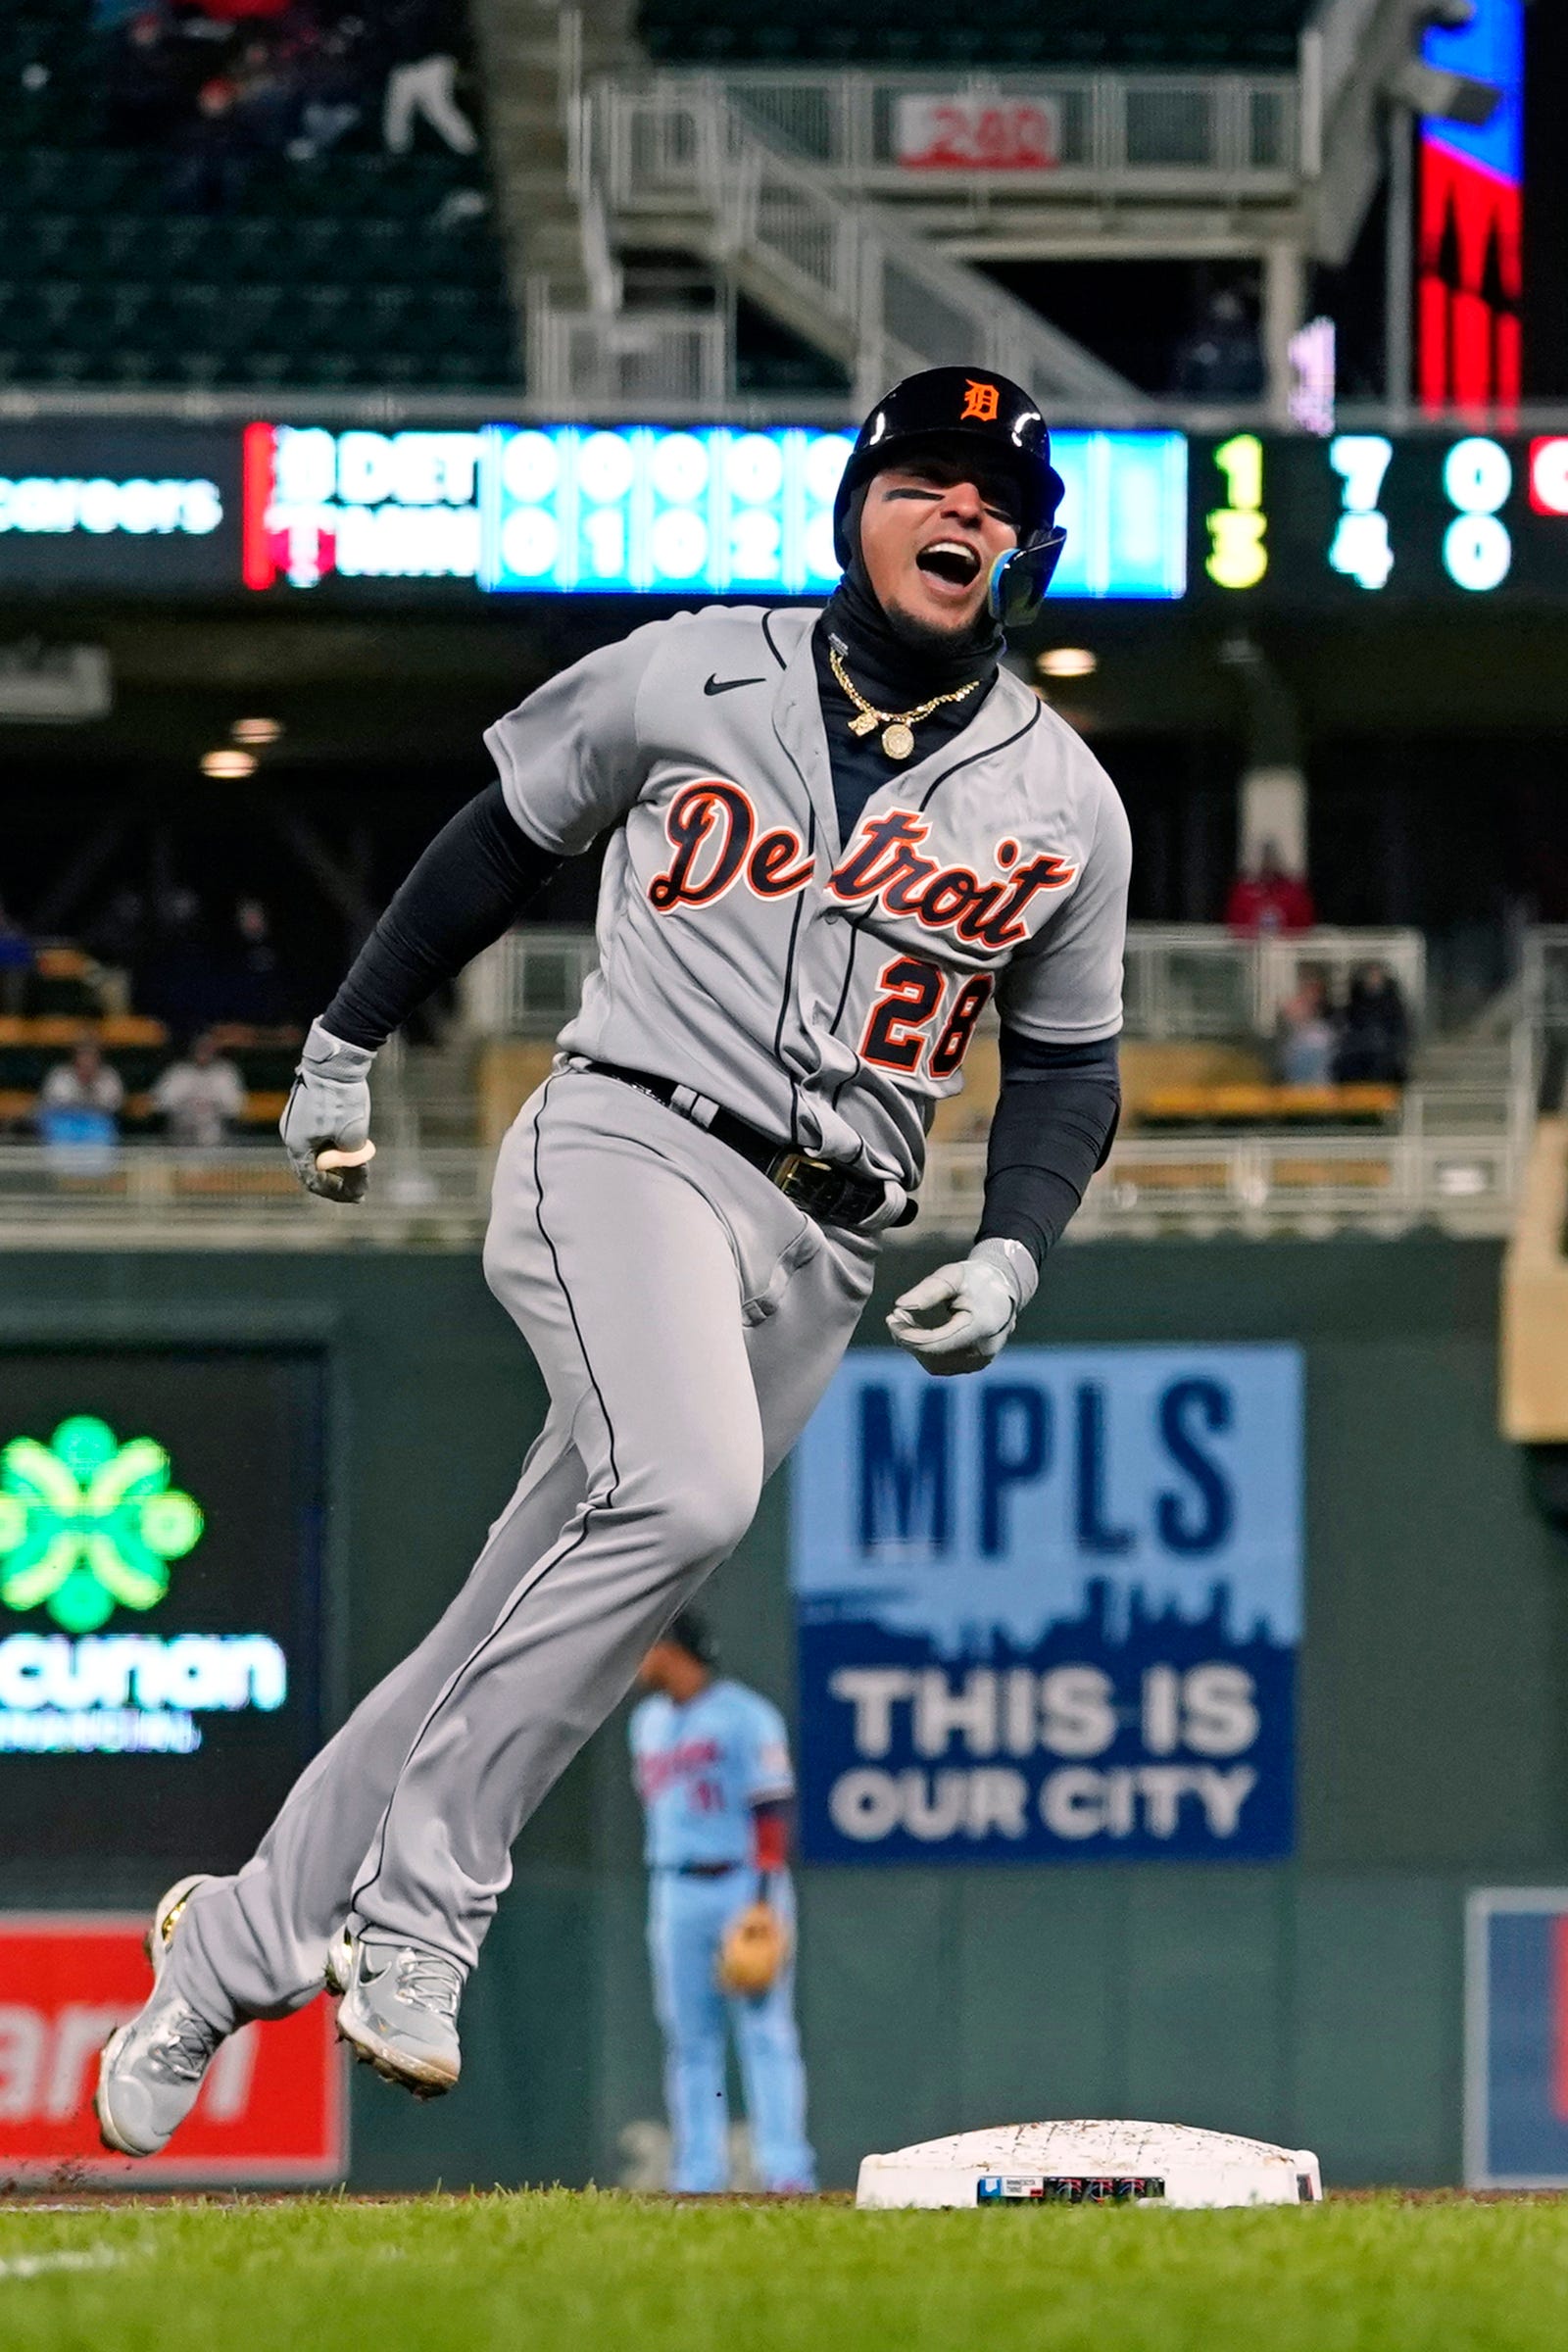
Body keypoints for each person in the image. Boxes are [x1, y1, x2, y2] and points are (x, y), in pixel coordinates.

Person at [94, 366, 1130, 2159]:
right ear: (860, 501)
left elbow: (1070, 1061)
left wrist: (1021, 1247)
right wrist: (343, 1041)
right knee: (693, 1490)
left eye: (996, 497)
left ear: (1030, 549)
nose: (959, 513)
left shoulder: (1065, 799)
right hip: (628, 1139)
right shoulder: (689, 669)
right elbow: (502, 838)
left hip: (829, 1243)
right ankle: (420, 1920)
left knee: (508, 1613)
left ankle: (229, 1950)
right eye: (926, 479)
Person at [630, 1610, 811, 2194]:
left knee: (766, 2033)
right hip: (674, 1885)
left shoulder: (747, 1716)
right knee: (690, 2041)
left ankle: (785, 2170)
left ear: (672, 1649)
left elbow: (771, 1810)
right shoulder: (648, 1722)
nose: (639, 1659)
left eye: (647, 1644)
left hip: (742, 1884)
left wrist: (761, 1900)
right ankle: (699, 2175)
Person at [380, 0, 477, 156]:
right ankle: (396, 157)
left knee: (438, 110)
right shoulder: (388, 7)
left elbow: (450, 27)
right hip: (405, 65)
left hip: (433, 61)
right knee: (397, 112)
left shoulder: (432, 6)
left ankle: (469, 152)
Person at [151, 1032, 248, 1147]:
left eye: (208, 1048)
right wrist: (189, 1104)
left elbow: (235, 1107)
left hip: (215, 1140)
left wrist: (210, 1106)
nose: (204, 1052)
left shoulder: (226, 1073)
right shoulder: (178, 1072)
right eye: (201, 1048)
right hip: (179, 1139)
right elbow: (159, 1103)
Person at [36, 1043, 124, 1153]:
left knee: (104, 1134)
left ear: (98, 1059)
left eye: (91, 1057)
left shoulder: (109, 1077)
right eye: (83, 1056)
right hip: (64, 1123)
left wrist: (91, 1089)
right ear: (75, 1058)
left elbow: (115, 1104)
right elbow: (52, 1103)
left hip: (97, 1125)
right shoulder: (60, 1076)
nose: (87, 1061)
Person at [1334, 961, 1409, 1085]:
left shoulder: (1393, 1005)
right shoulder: (1355, 1004)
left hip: (1384, 1051)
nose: (1373, 978)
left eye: (1376, 975)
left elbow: (1400, 1031)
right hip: (1358, 1051)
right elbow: (1347, 1027)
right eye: (1370, 975)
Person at [1225, 843, 1315, 938]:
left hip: (1287, 949)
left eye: (1272, 858)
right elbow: (1234, 926)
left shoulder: (1295, 893)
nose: (1268, 863)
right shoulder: (1243, 893)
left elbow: (1304, 927)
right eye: (1265, 858)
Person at [1275, 975, 1335, 1086]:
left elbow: (1304, 1070)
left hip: (1312, 1094)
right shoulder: (1291, 1034)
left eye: (1299, 1004)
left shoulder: (1318, 1035)